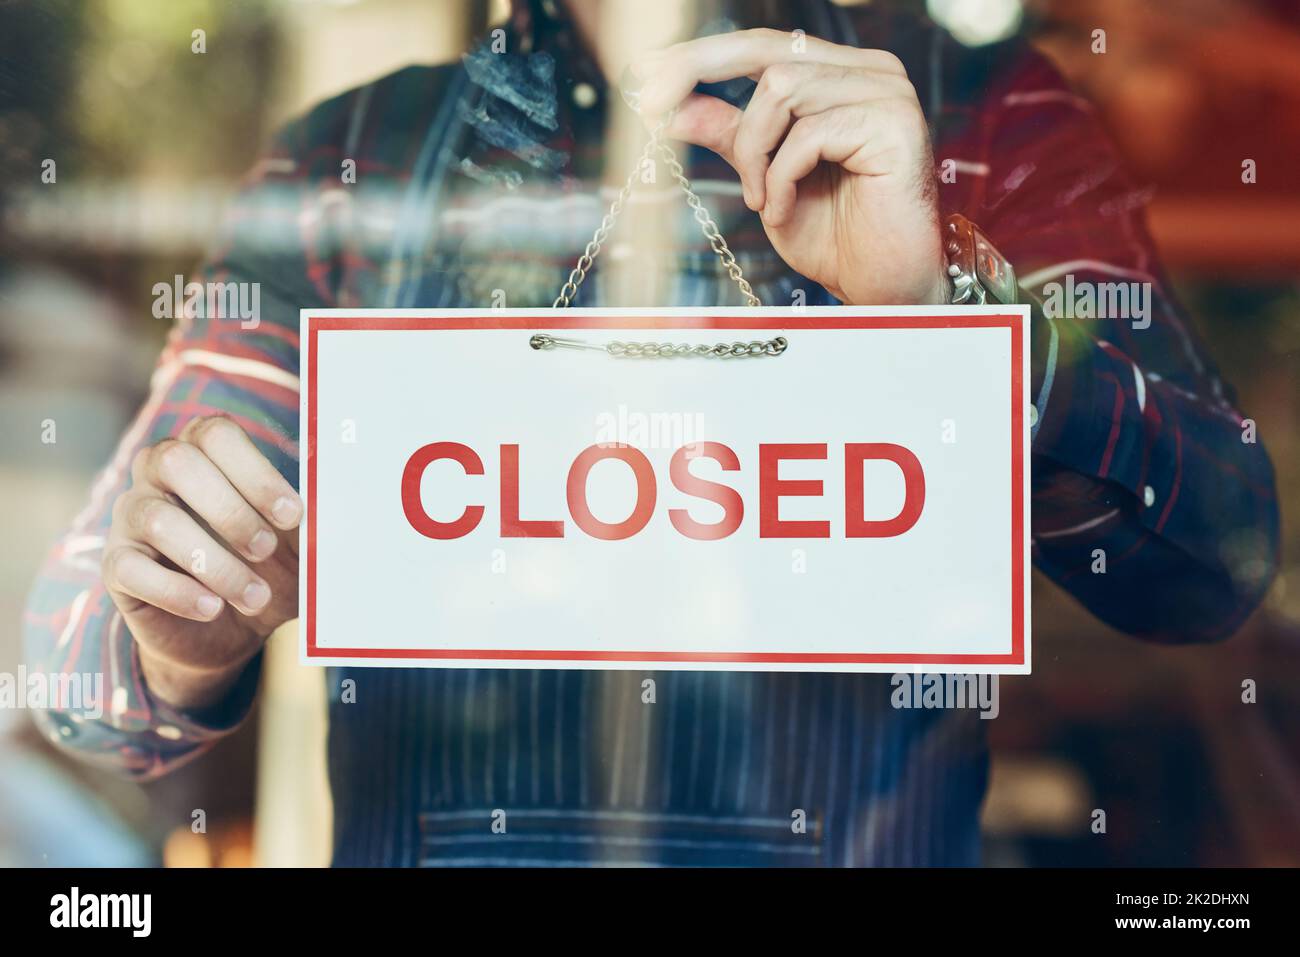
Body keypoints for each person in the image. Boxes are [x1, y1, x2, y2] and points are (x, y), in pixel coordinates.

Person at [24, 0, 1279, 866]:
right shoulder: (354, 159)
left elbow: (1212, 562)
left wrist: (942, 307)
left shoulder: (985, 115)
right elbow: (81, 673)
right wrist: (181, 634)